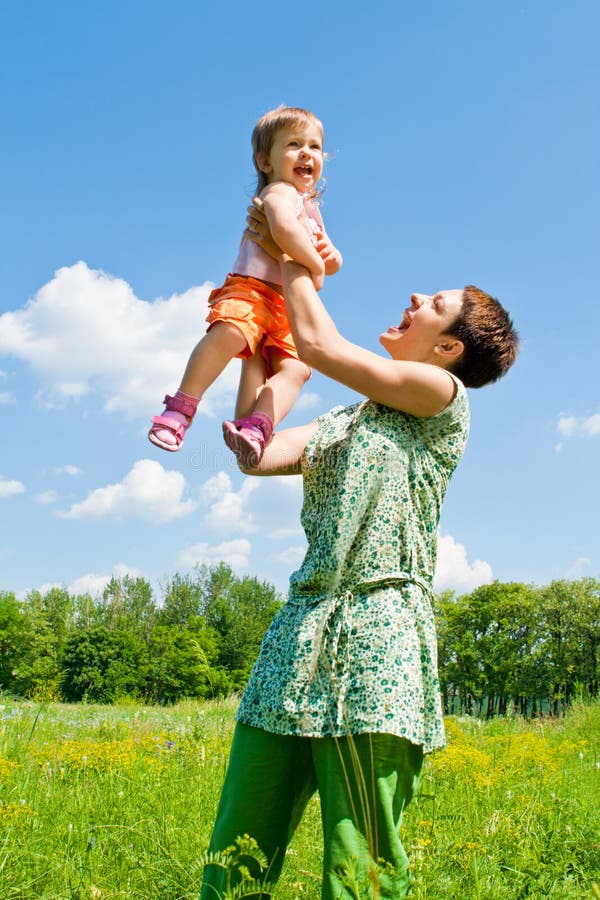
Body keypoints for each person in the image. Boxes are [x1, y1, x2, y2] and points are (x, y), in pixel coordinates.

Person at [200, 206, 519, 899]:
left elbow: (319, 344)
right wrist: (259, 339)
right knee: (238, 852)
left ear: (447, 349)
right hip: (297, 637)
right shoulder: (346, 422)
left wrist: (289, 248)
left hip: (381, 645)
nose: (413, 299)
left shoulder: (442, 397)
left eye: (434, 306)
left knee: (360, 864)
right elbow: (261, 454)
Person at [148, 106, 342, 466]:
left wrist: (331, 256)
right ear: (265, 162)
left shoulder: (312, 209)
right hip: (253, 290)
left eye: (315, 147)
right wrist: (317, 263)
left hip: (287, 307)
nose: (307, 153)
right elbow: (284, 233)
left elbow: (329, 264)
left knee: (296, 370)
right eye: (294, 144)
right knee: (231, 333)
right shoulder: (279, 193)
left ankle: (258, 425)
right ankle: (182, 406)